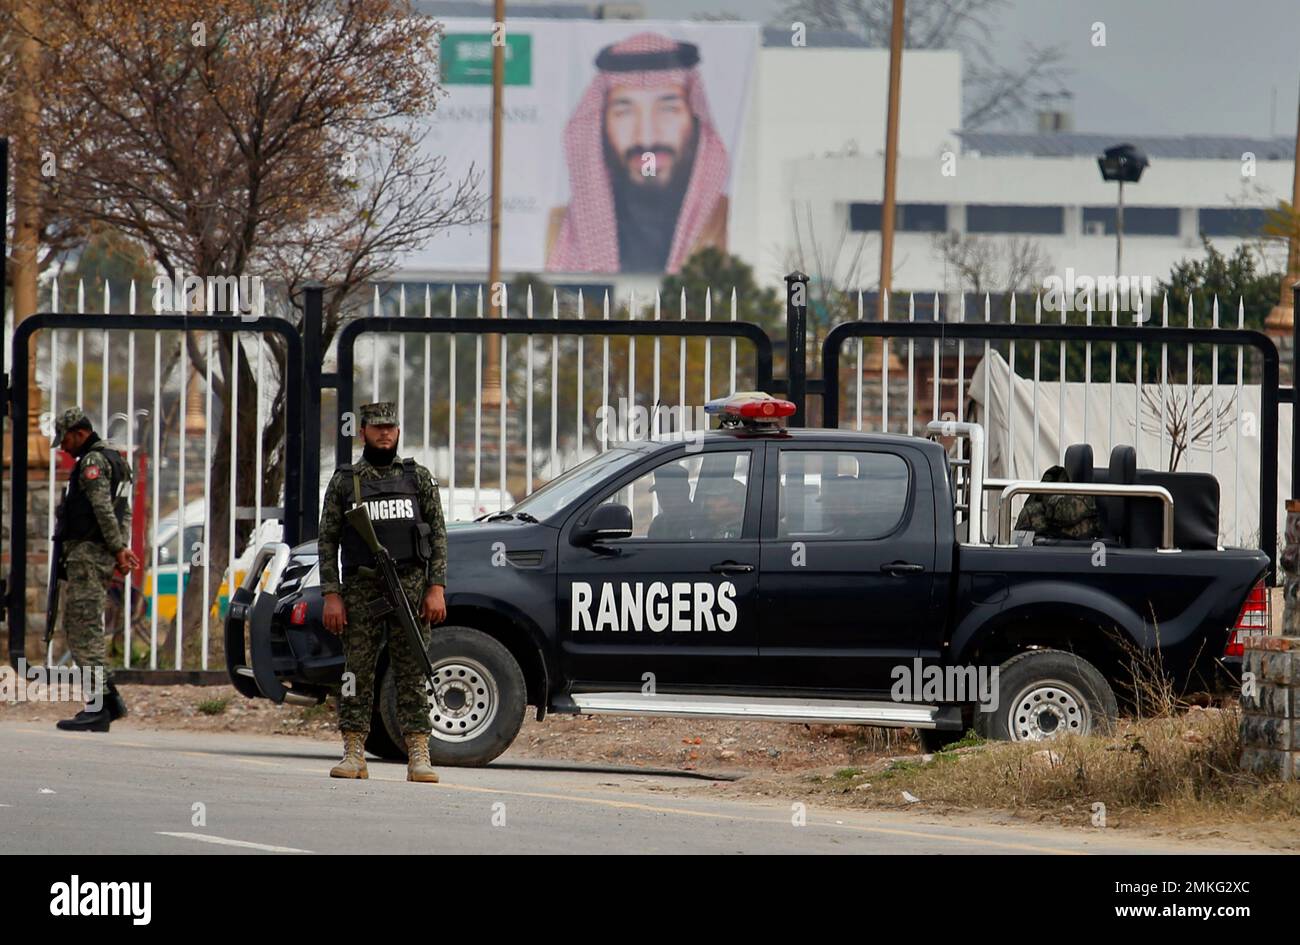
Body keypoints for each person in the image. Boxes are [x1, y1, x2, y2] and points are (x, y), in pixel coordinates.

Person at [316, 401, 448, 782]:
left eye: (390, 427)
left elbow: (439, 535)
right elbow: (328, 540)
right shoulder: (345, 482)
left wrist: (436, 587)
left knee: (413, 671)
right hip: (360, 589)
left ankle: (419, 752)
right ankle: (354, 751)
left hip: (410, 587)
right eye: (376, 428)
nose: (384, 433)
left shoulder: (417, 478)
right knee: (356, 671)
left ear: (398, 431)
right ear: (363, 433)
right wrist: (331, 593)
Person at [546, 32, 730, 274]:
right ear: (601, 126)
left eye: (668, 109)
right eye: (624, 112)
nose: (646, 138)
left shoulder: (723, 221)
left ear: (695, 120)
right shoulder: (560, 228)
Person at [50, 406, 140, 732]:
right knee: (86, 629)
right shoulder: (118, 460)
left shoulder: (92, 462)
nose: (64, 447)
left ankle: (98, 707)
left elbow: (104, 508)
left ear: (80, 433)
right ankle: (110, 702)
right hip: (98, 556)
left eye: (66, 440)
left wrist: (119, 549)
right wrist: (120, 549)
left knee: (82, 631)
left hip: (88, 557)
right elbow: (124, 511)